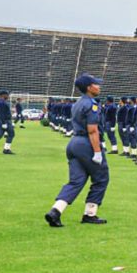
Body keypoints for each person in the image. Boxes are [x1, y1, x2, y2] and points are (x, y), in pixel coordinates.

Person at [44, 74, 109, 227]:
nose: (99, 87)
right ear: (89, 87)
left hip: (74, 143)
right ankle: (90, 213)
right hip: (87, 143)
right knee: (101, 177)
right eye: (96, 84)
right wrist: (98, 152)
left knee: (76, 181)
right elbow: (93, 130)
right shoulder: (92, 104)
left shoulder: (77, 103)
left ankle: (56, 211)